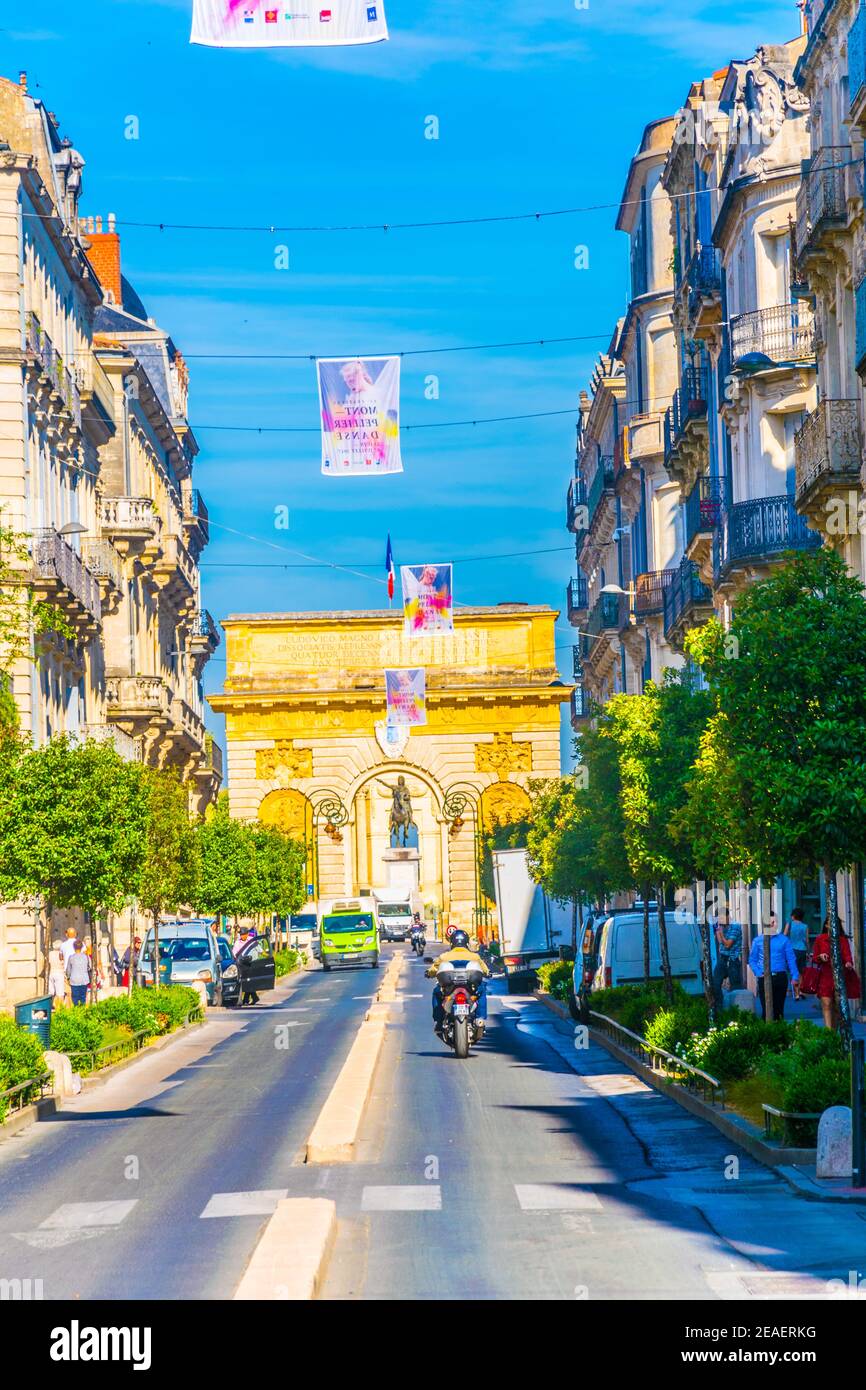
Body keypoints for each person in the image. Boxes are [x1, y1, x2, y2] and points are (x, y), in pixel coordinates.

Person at [426, 929, 489, 1038]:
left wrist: (428, 973)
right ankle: (480, 1018)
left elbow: (433, 970)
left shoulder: (444, 956)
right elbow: (485, 970)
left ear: (452, 943)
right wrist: (488, 973)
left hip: (450, 988)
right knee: (482, 990)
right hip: (470, 988)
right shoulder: (474, 956)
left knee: (437, 992)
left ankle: (439, 1021)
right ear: (467, 943)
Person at [810, 922, 861, 1031]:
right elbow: (814, 958)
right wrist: (820, 957)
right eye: (829, 923)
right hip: (825, 975)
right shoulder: (820, 939)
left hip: (841, 975)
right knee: (826, 1003)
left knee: (838, 1006)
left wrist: (848, 963)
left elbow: (848, 956)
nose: (832, 925)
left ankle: (834, 1031)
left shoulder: (842, 940)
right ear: (826, 925)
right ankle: (828, 1033)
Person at [748, 924, 800, 1020]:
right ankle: (767, 1033)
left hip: (780, 977)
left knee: (779, 1010)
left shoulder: (784, 940)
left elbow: (791, 959)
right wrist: (758, 972)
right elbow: (752, 960)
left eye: (775, 921)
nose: (773, 924)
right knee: (766, 1010)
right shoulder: (758, 940)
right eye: (770, 922)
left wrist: (795, 976)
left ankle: (780, 1033)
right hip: (764, 977)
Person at [711, 913, 743, 1000]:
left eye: (721, 918)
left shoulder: (735, 926)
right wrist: (717, 931)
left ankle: (737, 1009)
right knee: (715, 984)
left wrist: (721, 933)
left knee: (735, 987)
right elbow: (721, 942)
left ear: (728, 916)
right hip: (723, 959)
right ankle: (720, 1006)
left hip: (732, 960)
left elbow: (728, 944)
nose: (720, 921)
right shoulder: (722, 927)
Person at [784, 908, 810, 977]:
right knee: (801, 971)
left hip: (792, 950)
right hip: (802, 950)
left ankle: (792, 987)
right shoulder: (805, 926)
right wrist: (808, 952)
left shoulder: (789, 924)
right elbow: (807, 940)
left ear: (793, 916)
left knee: (791, 970)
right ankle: (799, 987)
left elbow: (784, 937)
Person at [66, 939, 91, 1008]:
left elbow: (68, 970)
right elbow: (89, 967)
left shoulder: (71, 957)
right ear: (82, 947)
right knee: (83, 997)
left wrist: (68, 977)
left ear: (74, 947)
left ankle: (76, 1011)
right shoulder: (86, 957)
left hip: (74, 980)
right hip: (84, 980)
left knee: (75, 998)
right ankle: (82, 1010)